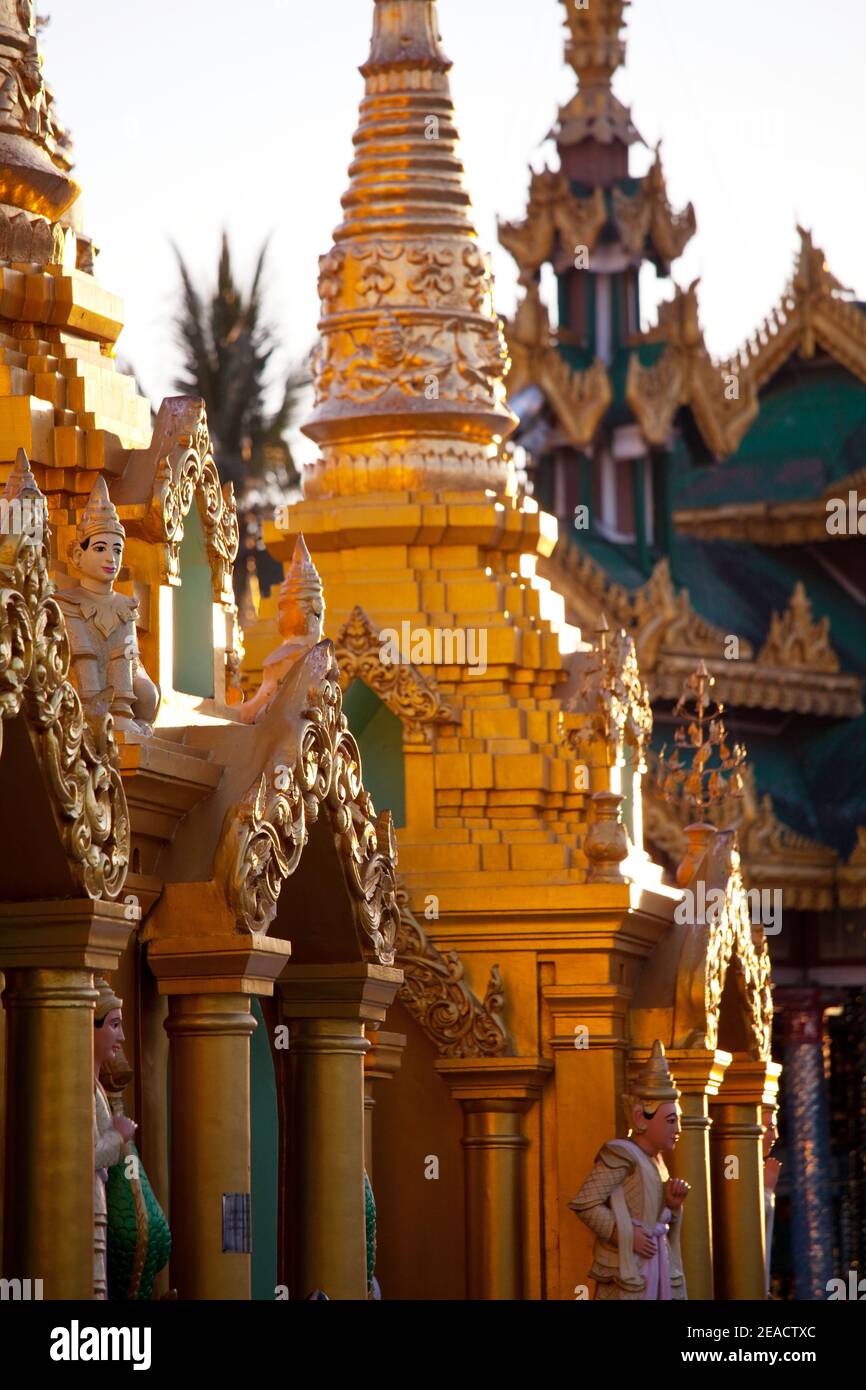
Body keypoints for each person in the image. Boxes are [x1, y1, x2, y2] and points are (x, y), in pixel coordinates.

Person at [569, 1040, 690, 1299]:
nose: (677, 1129)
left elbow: (655, 1216)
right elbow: (586, 1203)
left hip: (657, 1265)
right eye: (670, 1121)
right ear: (639, 1118)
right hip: (626, 1273)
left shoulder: (657, 1161)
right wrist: (624, 1234)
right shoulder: (621, 1154)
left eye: (678, 1120)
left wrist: (672, 1206)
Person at [92, 978, 137, 1299]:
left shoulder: (95, 1088)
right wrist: (118, 1136)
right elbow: (85, 1155)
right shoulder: (83, 1088)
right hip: (85, 1207)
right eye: (114, 1025)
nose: (121, 1036)